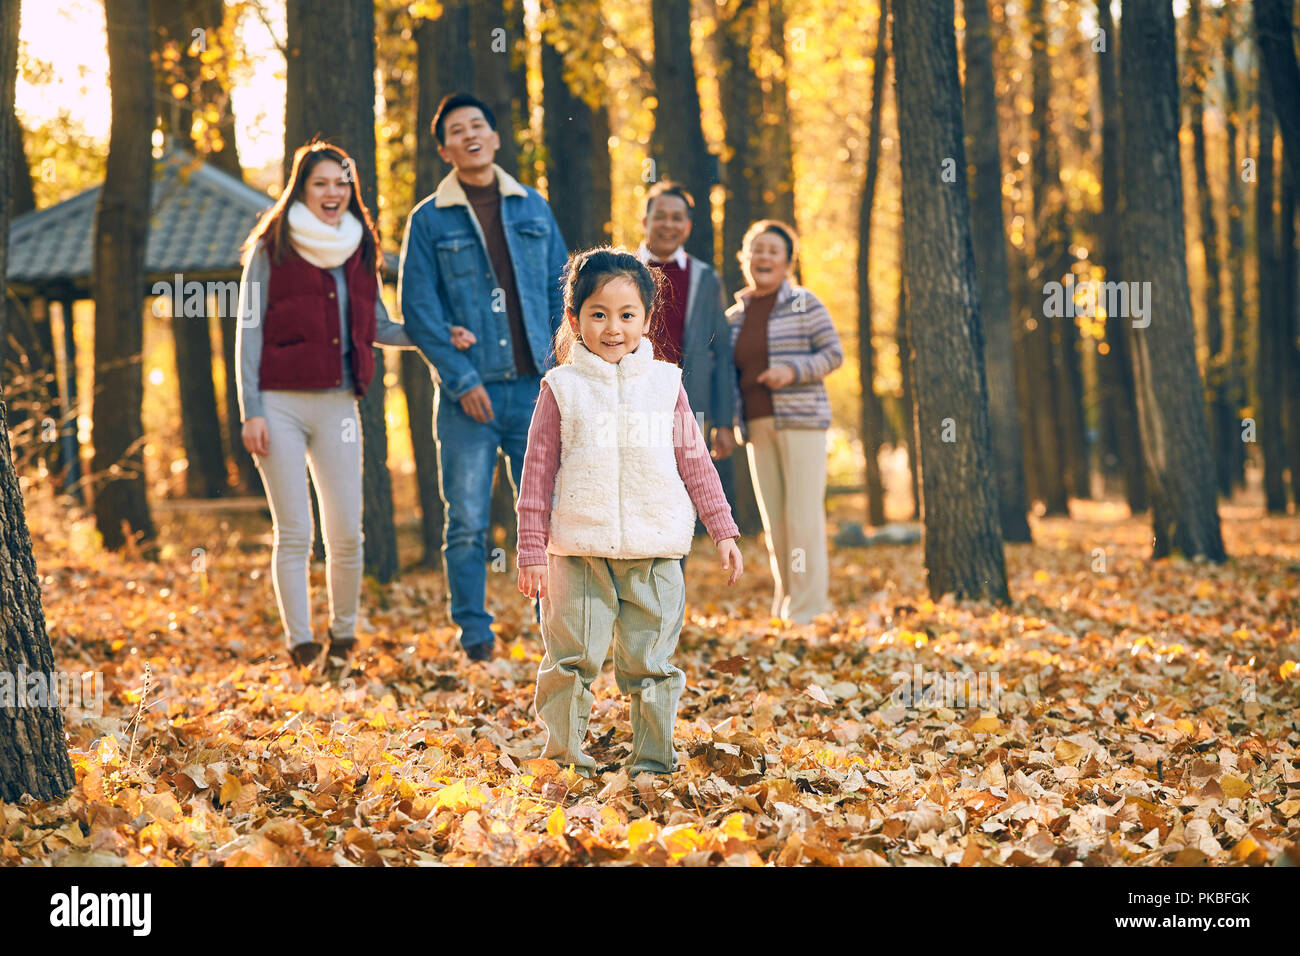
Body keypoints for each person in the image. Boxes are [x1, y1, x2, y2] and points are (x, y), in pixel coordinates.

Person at [516, 247, 743, 777]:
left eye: (627, 315)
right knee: (570, 661)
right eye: (598, 314)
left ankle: (652, 762)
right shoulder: (561, 389)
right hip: (577, 554)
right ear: (575, 320)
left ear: (646, 318)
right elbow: (536, 476)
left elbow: (696, 461)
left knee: (652, 665)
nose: (613, 328)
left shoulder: (667, 385)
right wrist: (531, 550)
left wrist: (723, 530)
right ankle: (565, 761)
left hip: (655, 551)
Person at [398, 92, 569, 662]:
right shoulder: (428, 220)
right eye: (456, 129)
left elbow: (560, 291)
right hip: (466, 397)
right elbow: (418, 310)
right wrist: (462, 378)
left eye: (479, 125)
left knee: (544, 516)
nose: (469, 134)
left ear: (494, 138)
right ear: (444, 148)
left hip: (534, 390)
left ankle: (554, 635)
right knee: (467, 520)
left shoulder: (533, 208)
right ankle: (475, 637)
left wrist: (558, 369)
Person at [237, 141, 417, 668]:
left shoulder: (362, 250)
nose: (332, 193)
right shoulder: (271, 247)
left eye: (341, 183)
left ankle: (343, 639)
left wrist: (432, 336)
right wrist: (251, 410)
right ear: (302, 188)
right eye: (321, 184)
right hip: (278, 405)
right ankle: (300, 643)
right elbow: (247, 329)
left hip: (340, 405)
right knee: (295, 532)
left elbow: (379, 326)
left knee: (346, 532)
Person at [727, 220, 842, 625]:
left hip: (802, 423)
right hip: (758, 427)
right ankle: (788, 599)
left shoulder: (804, 303)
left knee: (803, 517)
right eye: (757, 249)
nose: (764, 257)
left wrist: (792, 371)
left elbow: (833, 353)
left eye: (773, 251)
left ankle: (810, 607)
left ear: (788, 262)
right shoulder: (734, 319)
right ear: (745, 258)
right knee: (775, 521)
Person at [634, 181, 737, 575]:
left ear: (688, 226)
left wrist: (724, 422)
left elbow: (722, 354)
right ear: (645, 220)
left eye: (677, 218)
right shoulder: (621, 269)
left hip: (685, 407)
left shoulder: (705, 278)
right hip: (629, 402)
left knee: (677, 498)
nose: (667, 225)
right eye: (659, 216)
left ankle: (668, 587)